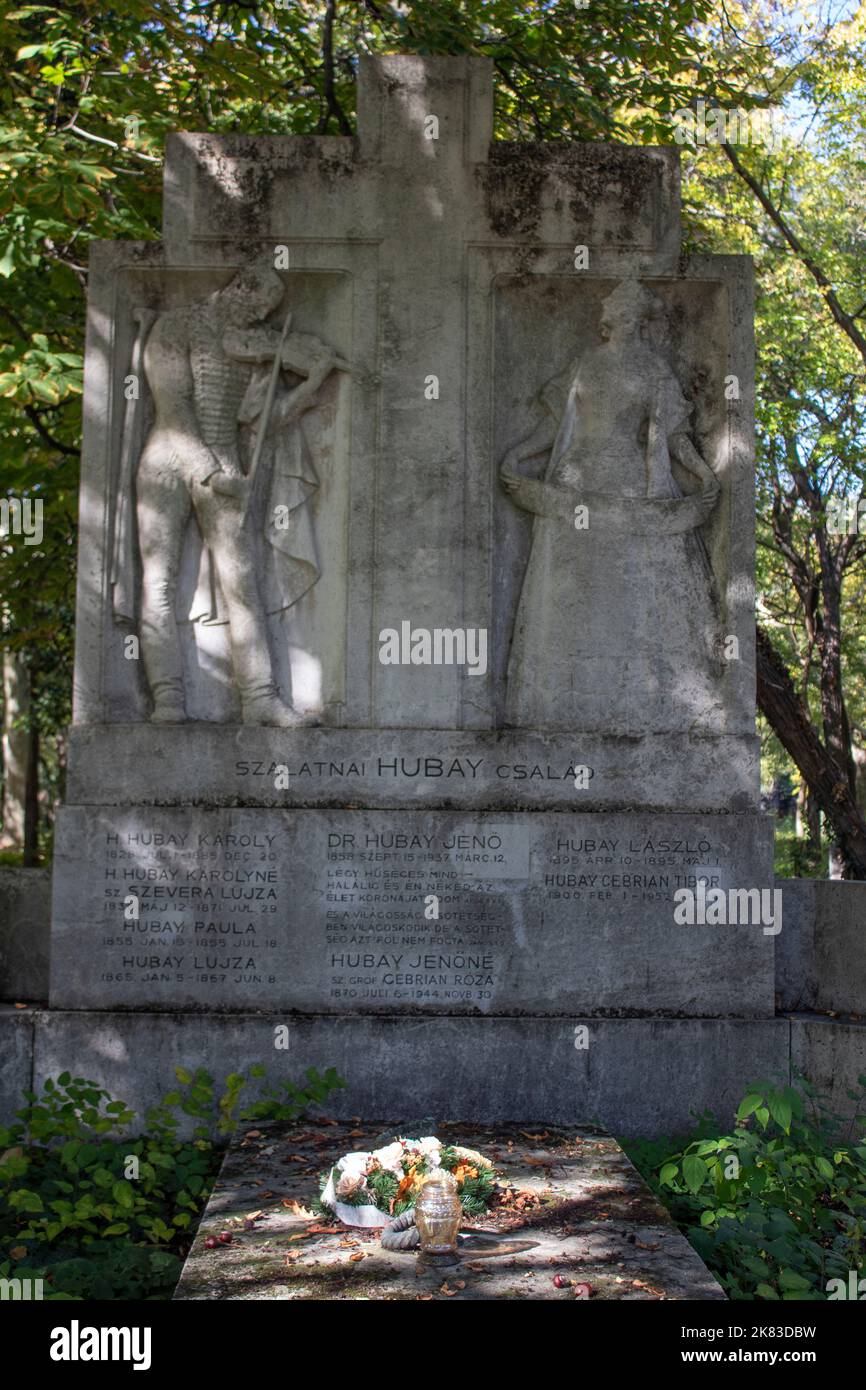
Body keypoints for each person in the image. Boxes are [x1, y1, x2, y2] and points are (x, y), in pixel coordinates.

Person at [501, 279, 724, 732]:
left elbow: (674, 438)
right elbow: (556, 427)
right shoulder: (584, 363)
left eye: (620, 311)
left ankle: (631, 704)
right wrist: (519, 455)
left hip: (628, 485)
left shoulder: (653, 370)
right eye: (611, 311)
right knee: (570, 592)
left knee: (629, 590)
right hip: (574, 479)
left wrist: (702, 474)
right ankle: (562, 706)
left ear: (635, 319)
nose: (612, 318)